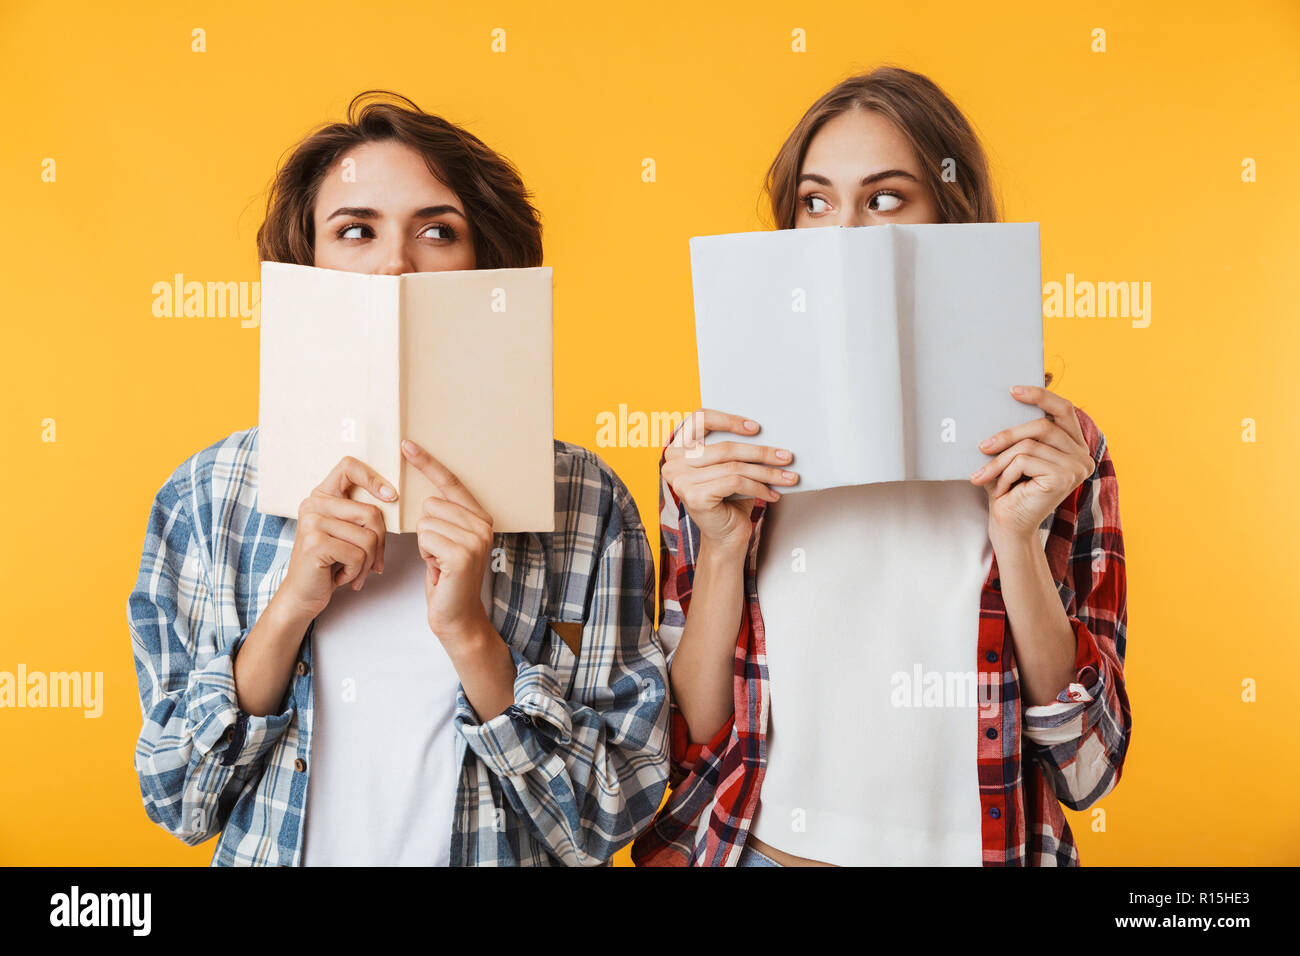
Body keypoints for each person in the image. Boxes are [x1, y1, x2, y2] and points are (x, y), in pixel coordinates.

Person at [128, 91, 669, 866]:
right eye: (356, 231)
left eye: (438, 231)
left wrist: (472, 635)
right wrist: (290, 609)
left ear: (488, 266)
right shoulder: (206, 496)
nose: (395, 264)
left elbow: (608, 816)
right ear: (305, 265)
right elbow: (177, 800)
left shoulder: (584, 500)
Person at [631, 66, 1131, 867]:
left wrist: (1017, 537)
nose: (844, 232)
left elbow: (1088, 767)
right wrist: (721, 548)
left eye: (887, 198)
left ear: (951, 215)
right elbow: (685, 734)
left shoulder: (1052, 453)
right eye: (816, 201)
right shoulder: (721, 454)